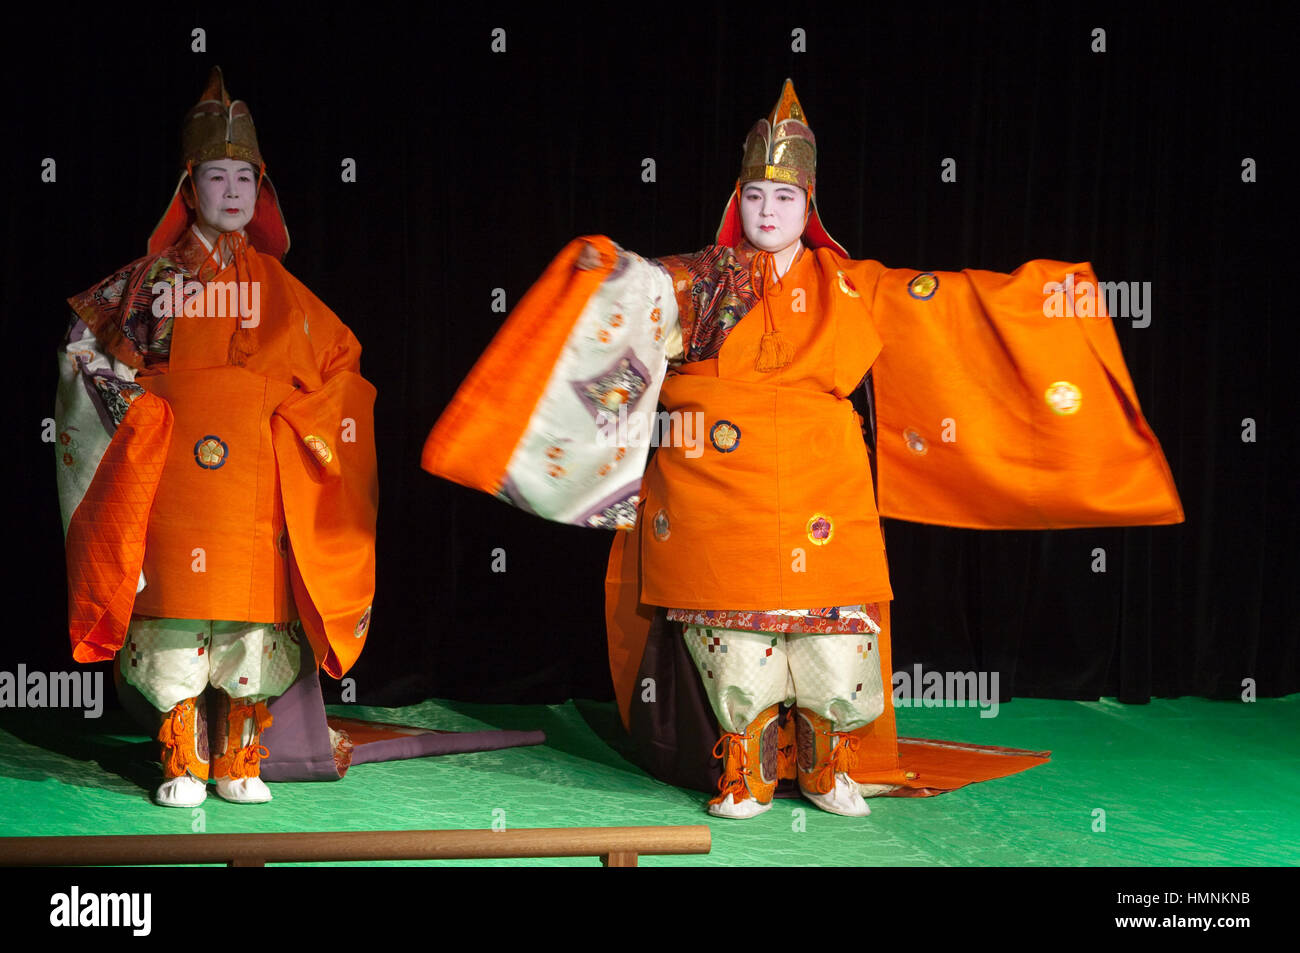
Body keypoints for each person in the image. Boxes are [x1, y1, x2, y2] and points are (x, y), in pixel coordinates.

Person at [423, 80, 1182, 818]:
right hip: (715, 479)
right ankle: (744, 773)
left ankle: (827, 769)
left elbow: (946, 304)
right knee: (733, 639)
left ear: (808, 207)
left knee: (836, 642)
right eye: (754, 196)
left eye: (783, 197)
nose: (767, 210)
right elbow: (631, 298)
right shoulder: (693, 280)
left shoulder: (852, 284)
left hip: (824, 482)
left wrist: (1045, 302)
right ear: (735, 202)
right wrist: (600, 268)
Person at [57, 68, 378, 807]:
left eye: (244, 178)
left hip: (257, 485)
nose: (231, 192)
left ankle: (240, 754)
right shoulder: (148, 285)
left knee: (251, 624)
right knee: (175, 619)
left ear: (261, 193)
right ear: (188, 188)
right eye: (216, 177)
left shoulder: (287, 294)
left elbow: (343, 371)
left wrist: (308, 429)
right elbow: (83, 355)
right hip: (173, 477)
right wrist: (135, 415)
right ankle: (178, 753)